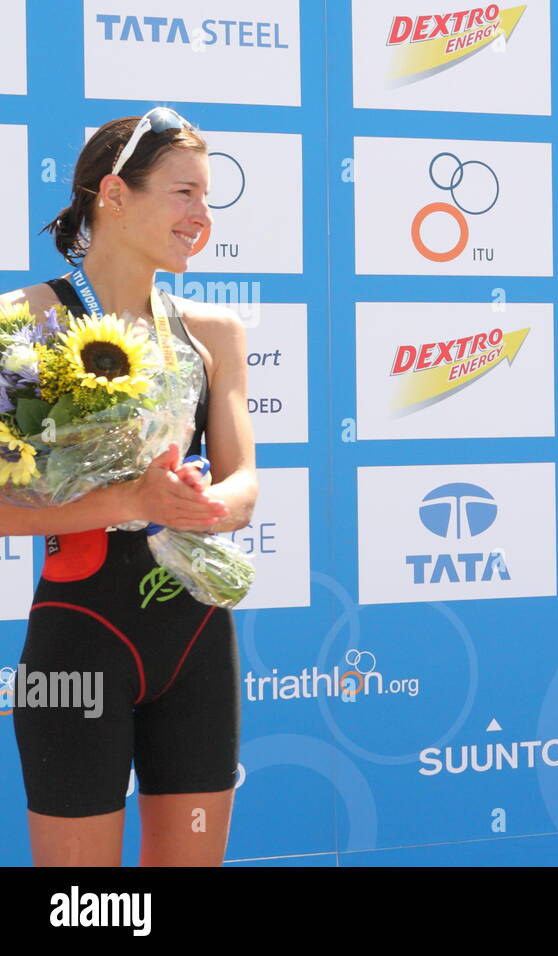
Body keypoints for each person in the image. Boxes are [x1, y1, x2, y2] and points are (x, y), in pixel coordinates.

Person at [0, 107, 257, 865]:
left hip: (198, 639)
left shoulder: (216, 334)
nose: (202, 217)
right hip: (77, 643)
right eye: (185, 193)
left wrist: (208, 505)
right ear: (114, 194)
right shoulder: (25, 322)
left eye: (208, 199)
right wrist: (127, 504)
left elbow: (245, 482)